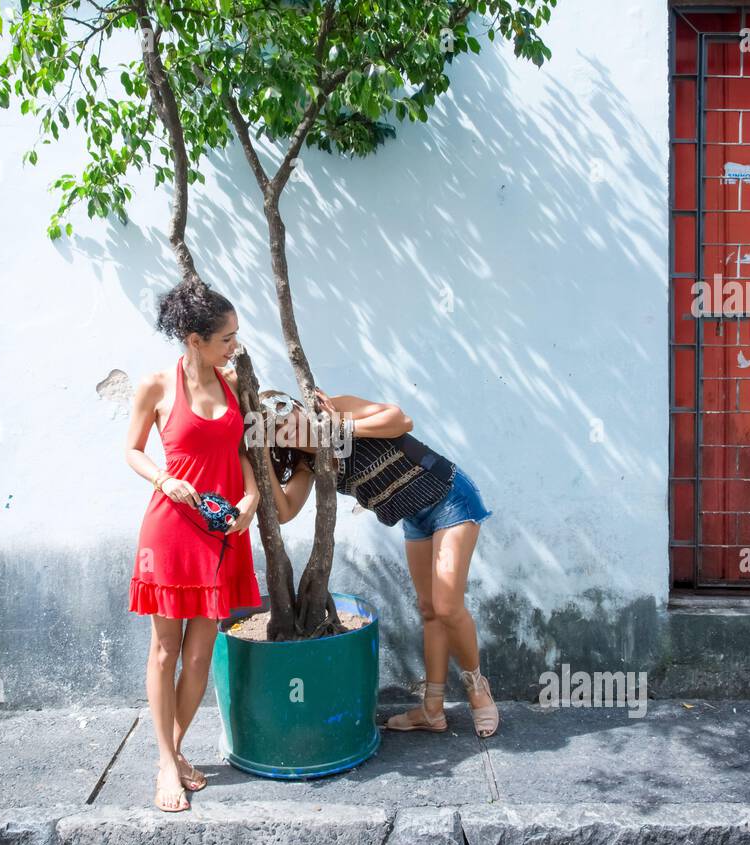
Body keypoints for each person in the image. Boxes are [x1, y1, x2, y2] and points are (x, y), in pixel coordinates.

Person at [256, 386, 497, 737]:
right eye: (278, 429)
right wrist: (260, 459)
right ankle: (432, 708)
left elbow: (401, 420)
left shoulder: (333, 409)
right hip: (415, 517)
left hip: (450, 497)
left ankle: (477, 689)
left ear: (297, 407)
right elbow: (284, 510)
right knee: (430, 609)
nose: (289, 426)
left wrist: (340, 426)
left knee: (446, 607)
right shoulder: (308, 463)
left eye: (288, 415)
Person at [126, 279, 261, 812]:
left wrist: (250, 496)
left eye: (234, 337)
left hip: (223, 532)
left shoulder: (230, 384)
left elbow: (242, 451)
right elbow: (131, 450)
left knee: (202, 653)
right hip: (171, 530)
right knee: (165, 650)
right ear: (194, 338)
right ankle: (165, 762)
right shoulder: (156, 386)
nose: (234, 346)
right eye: (226, 337)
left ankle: (176, 750)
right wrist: (163, 479)